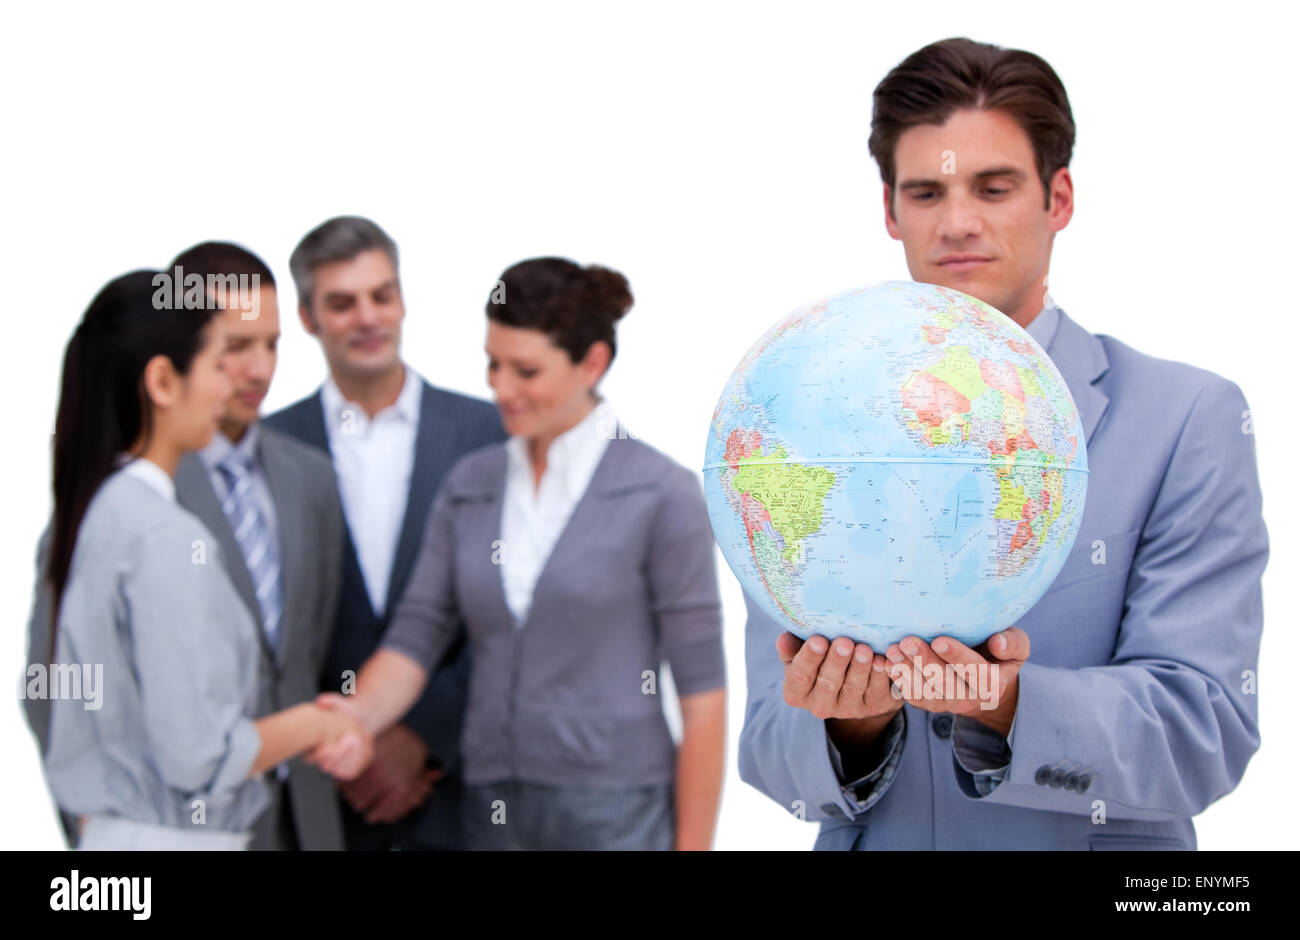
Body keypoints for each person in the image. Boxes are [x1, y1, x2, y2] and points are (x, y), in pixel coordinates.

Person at [736, 37, 1267, 850]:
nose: (956, 223)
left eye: (993, 187)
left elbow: (1206, 730)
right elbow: (770, 746)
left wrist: (1002, 702)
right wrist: (855, 728)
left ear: (1059, 198)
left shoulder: (1186, 416)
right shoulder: (803, 422)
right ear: (890, 211)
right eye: (925, 191)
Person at [311, 257, 727, 850]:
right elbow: (416, 636)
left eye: (525, 371)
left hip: (617, 812)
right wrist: (355, 719)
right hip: (490, 809)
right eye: (492, 363)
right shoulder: (470, 485)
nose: (499, 388)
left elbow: (703, 694)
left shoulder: (661, 492)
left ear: (593, 363)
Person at [24, 243, 350, 851]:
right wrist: (314, 722)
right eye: (219, 362)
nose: (237, 381)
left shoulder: (97, 511)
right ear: (163, 380)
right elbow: (199, 755)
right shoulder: (163, 534)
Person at [264, 216, 506, 851]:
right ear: (309, 317)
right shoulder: (266, 449)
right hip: (320, 798)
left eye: (382, 295)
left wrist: (424, 733)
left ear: (402, 299)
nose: (368, 317)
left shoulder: (492, 435)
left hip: (467, 788)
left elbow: (525, 603)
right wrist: (340, 739)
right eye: (342, 303)